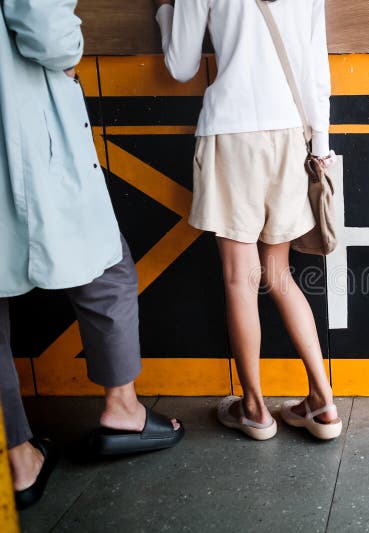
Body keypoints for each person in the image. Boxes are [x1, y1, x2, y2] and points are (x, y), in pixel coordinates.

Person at [0, 0, 184, 510]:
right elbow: (44, 24)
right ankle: (122, 409)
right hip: (22, 127)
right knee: (107, 270)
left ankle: (16, 457)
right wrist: (70, 52)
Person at [154, 0, 341, 441]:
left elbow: (179, 65)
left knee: (241, 279)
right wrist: (319, 145)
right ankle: (323, 402)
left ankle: (255, 410)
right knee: (279, 274)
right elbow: (317, 70)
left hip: (230, 133)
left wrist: (166, 10)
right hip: (290, 134)